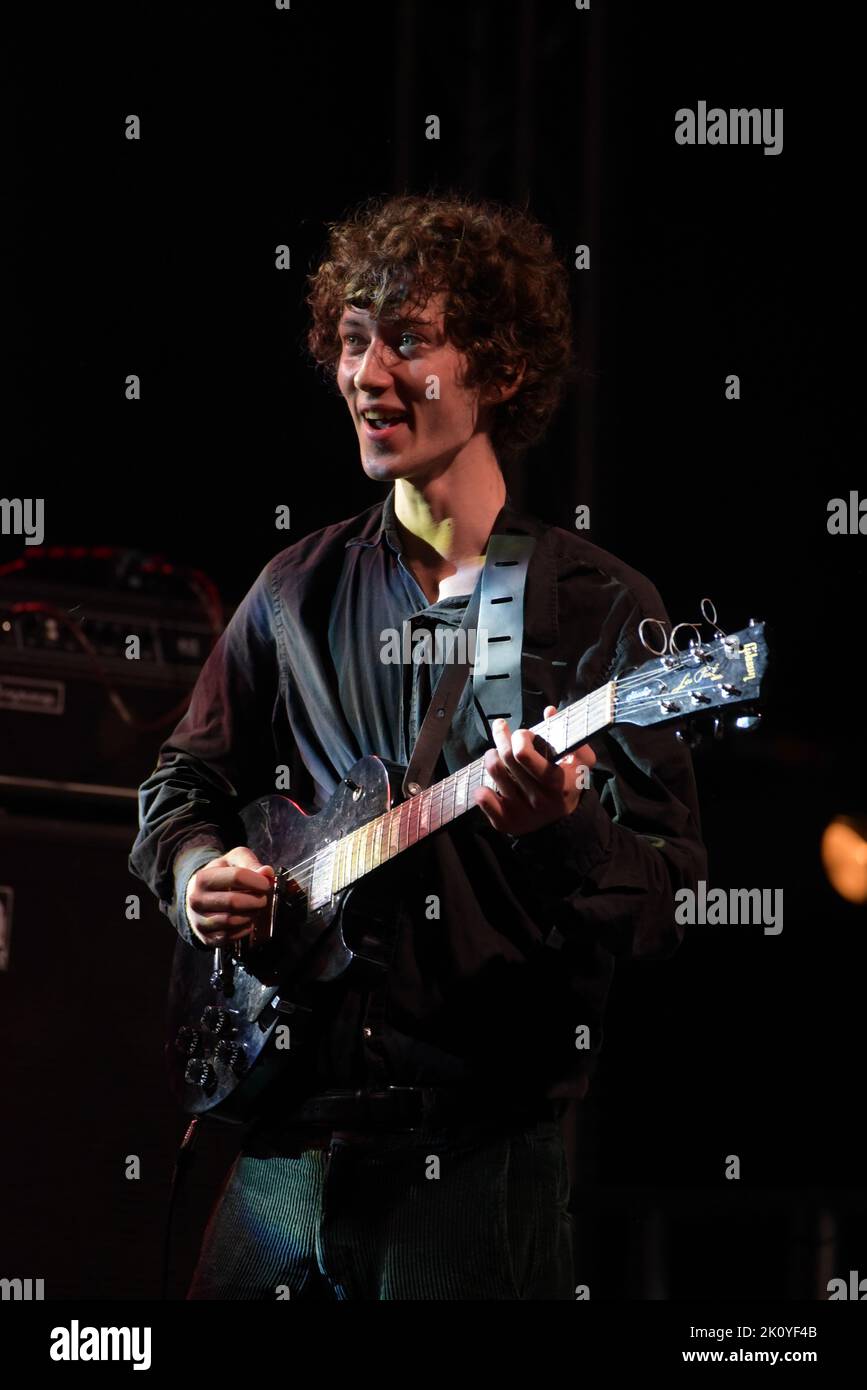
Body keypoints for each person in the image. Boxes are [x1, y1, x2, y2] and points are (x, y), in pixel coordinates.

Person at [129, 192, 707, 1300]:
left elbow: (671, 897)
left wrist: (565, 835)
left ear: (493, 367)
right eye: (352, 341)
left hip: (471, 1166)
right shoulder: (294, 593)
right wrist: (200, 873)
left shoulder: (596, 611)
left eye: (408, 339)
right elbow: (181, 781)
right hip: (278, 1147)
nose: (367, 372)